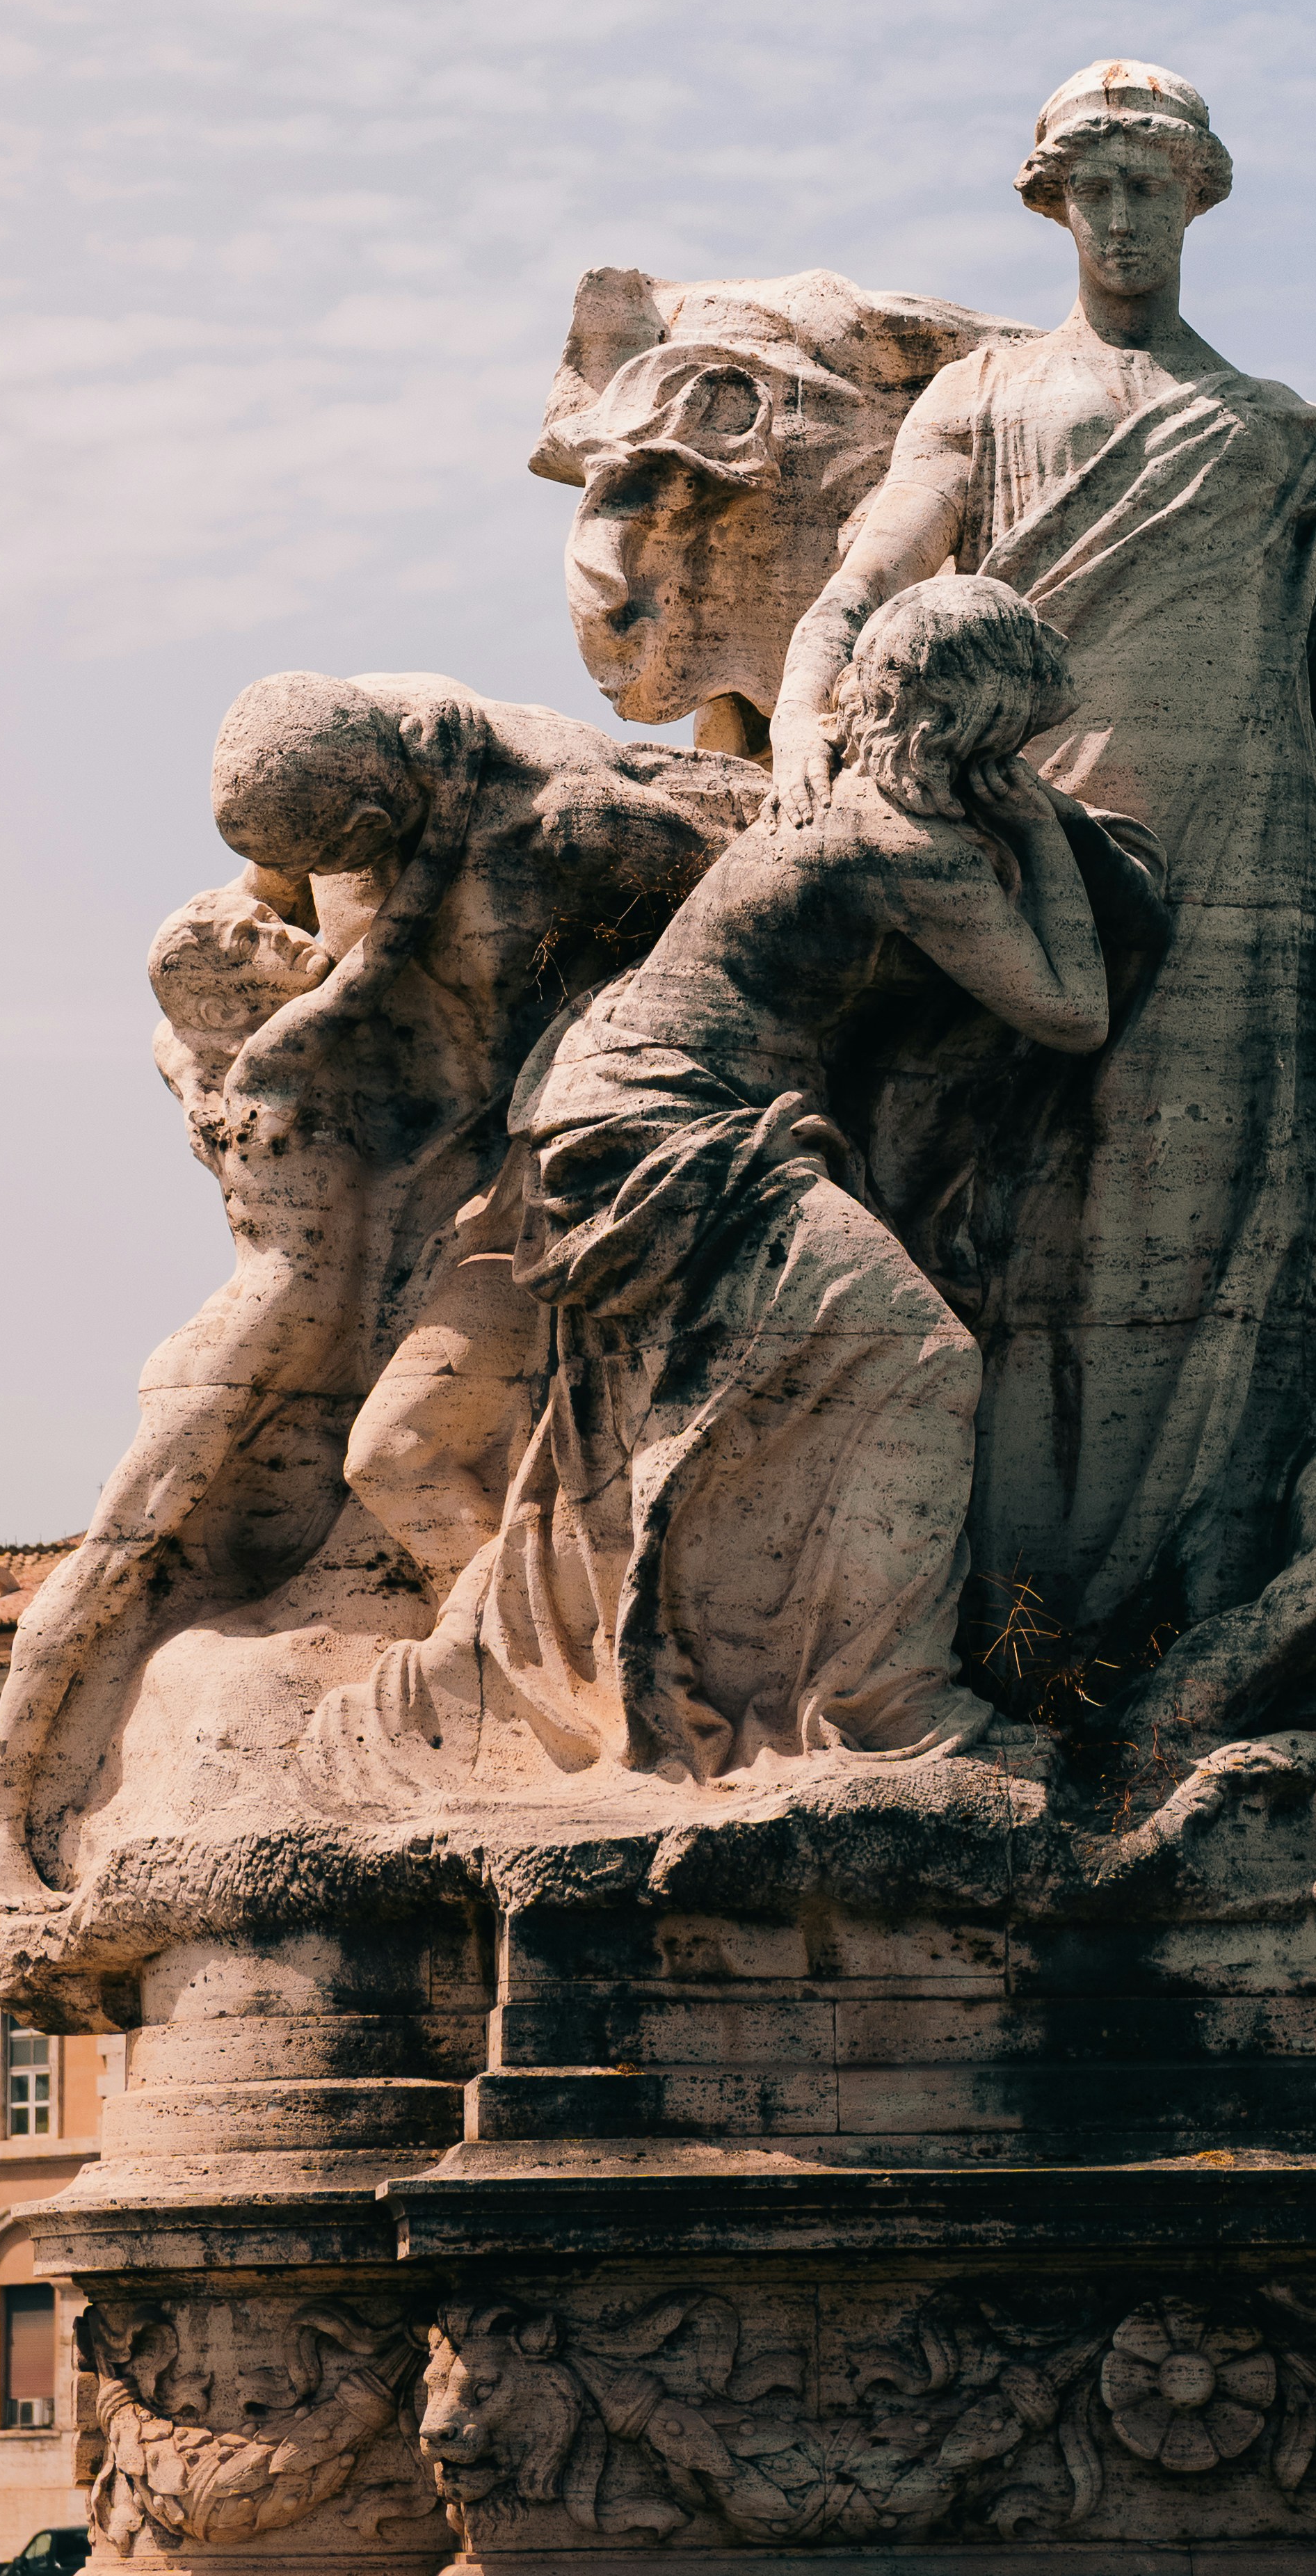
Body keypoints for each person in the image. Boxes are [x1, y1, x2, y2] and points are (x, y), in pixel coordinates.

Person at [306, 576, 1140, 1797]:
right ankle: (890, 1703)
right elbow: (1073, 1012)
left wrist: (813, 722)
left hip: (612, 1094)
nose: (1022, 762)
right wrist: (1043, 832)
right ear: (979, 736)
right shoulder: (911, 850)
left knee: (741, 1394)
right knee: (922, 1360)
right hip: (667, 1123)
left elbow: (824, 641)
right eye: (1016, 741)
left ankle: (740, 1660)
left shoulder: (827, 791)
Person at [0, 678, 759, 1909]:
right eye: (253, 935)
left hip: (388, 1284)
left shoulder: (534, 811)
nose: (285, 923)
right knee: (126, 1550)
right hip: (260, 1335)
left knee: (195, 1533)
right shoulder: (283, 1040)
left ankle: (513, 1680)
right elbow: (356, 984)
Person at [763, 61, 1316, 1669]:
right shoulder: (980, 399)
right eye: (1087, 184)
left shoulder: (1288, 441)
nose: (1117, 212)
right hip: (1040, 842)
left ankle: (1190, 1606)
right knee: (1023, 1213)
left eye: (1148, 182)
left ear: (1198, 198)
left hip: (1255, 867)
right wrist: (797, 746)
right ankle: (1007, 1620)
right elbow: (855, 596)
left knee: (1221, 1229)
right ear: (1049, 202)